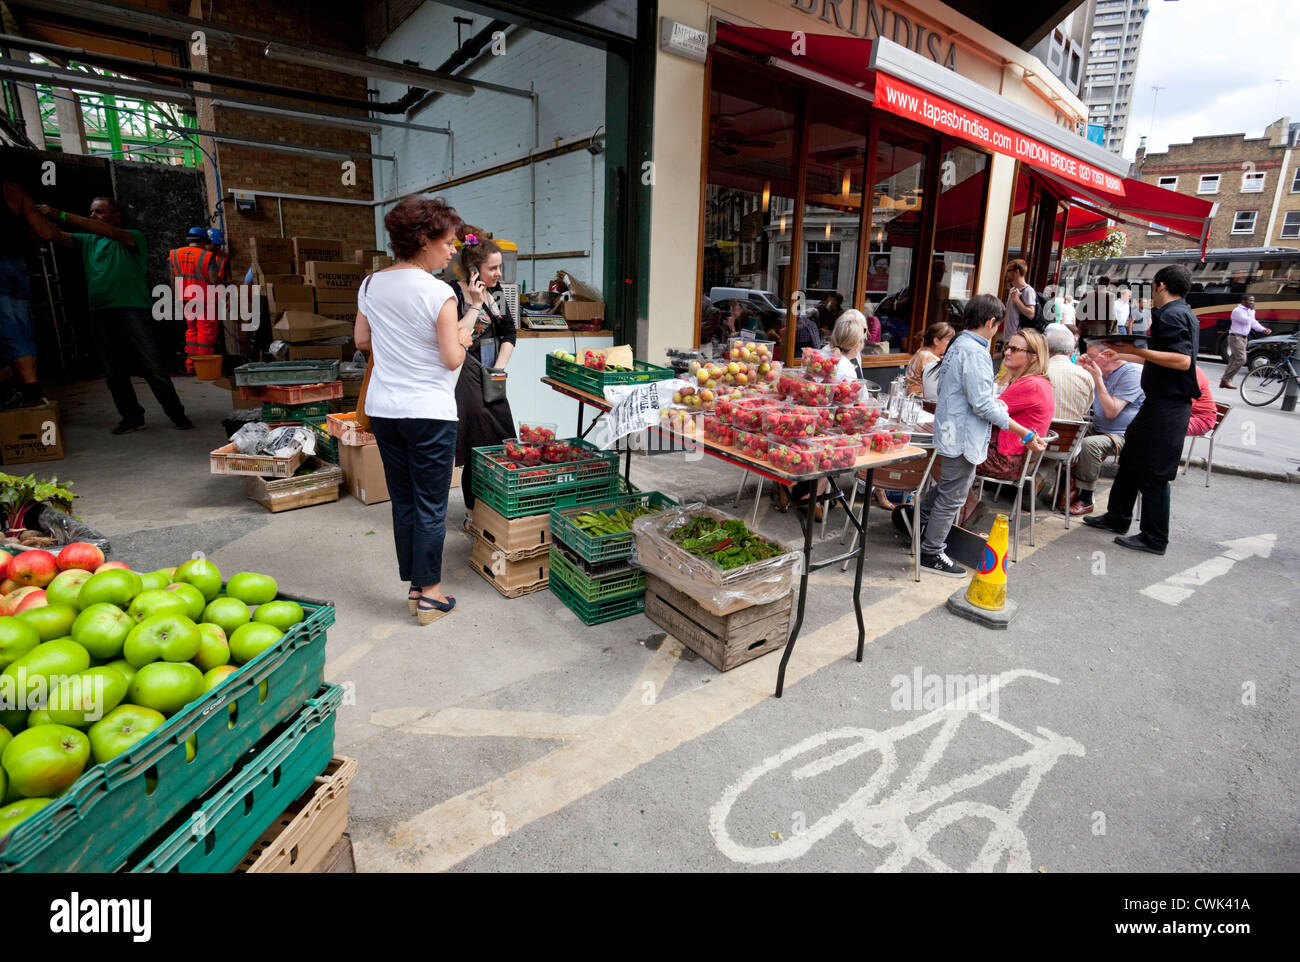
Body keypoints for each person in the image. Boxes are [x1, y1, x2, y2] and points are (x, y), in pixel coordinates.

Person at [354, 196, 471, 625]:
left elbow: (363, 340)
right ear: (424, 240)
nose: (454, 248)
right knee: (430, 503)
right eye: (448, 241)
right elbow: (451, 359)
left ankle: (415, 586)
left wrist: (399, 342)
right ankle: (432, 595)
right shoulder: (439, 292)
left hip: (385, 409)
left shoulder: (370, 284)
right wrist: (460, 338)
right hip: (429, 412)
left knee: (404, 500)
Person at [908, 294, 1046, 578]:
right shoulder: (975, 351)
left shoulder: (960, 343)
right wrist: (1023, 431)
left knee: (953, 486)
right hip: (963, 435)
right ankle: (931, 551)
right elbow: (981, 404)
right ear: (991, 322)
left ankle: (917, 520)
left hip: (953, 430)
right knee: (953, 494)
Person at [39, 197, 191, 433]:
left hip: (132, 309)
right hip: (100, 311)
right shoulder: (88, 241)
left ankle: (177, 414)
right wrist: (33, 214)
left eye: (99, 212)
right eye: (91, 212)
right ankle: (132, 417)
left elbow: (105, 230)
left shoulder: (131, 237)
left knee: (152, 366)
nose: (93, 216)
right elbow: (54, 235)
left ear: (116, 216)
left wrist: (60, 214)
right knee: (113, 371)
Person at [1083, 264, 1201, 555]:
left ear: (1160, 285)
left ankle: (1154, 537)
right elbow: (1162, 360)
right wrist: (1122, 354)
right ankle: (1117, 517)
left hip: (1168, 406)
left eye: (1152, 286)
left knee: (1155, 472)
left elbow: (1182, 361)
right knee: (1132, 459)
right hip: (1158, 404)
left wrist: (1137, 351)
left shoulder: (1171, 315)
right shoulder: (1183, 312)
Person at [452, 235, 517, 526]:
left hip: (491, 373)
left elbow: (509, 332)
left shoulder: (499, 293)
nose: (499, 274)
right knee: (476, 446)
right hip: (464, 375)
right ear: (474, 270)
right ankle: (471, 513)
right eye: (493, 269)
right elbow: (451, 338)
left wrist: (500, 368)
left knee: (502, 438)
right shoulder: (452, 294)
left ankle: (494, 507)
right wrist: (474, 304)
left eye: (500, 267)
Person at [971, 328, 1054, 519]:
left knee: (946, 456)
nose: (1007, 352)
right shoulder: (1036, 381)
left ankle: (963, 508)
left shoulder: (1030, 384)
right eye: (1008, 347)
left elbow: (986, 410)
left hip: (1005, 462)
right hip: (1017, 459)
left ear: (1033, 357)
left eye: (1015, 349)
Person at [1067, 343, 1145, 516]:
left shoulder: (1133, 374)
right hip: (1097, 426)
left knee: (1090, 445)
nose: (1088, 360)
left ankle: (1086, 498)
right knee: (1065, 433)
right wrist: (1077, 370)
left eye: (1092, 357)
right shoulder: (1098, 370)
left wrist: (1097, 379)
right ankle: (1060, 486)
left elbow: (1111, 411)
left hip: (1124, 434)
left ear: (1109, 355)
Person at [1, 180, 58, 407]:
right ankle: (32, 390)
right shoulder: (15, 190)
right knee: (22, 330)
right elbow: (44, 232)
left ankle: (30, 391)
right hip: (18, 266)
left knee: (8, 331)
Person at [169, 227, 215, 373]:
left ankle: (191, 365)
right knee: (205, 333)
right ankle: (205, 368)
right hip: (205, 301)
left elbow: (173, 279)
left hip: (186, 300)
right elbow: (214, 279)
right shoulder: (207, 256)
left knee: (192, 331)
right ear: (202, 241)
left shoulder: (174, 255)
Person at [1044, 323, 1094, 421]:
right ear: (1071, 352)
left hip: (1039, 433)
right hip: (1073, 434)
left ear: (1044, 349)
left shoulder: (1035, 372)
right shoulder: (1086, 376)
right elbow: (1085, 409)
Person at [1220, 294, 1270, 389]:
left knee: (1233, 360)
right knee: (1242, 359)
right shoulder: (1237, 311)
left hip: (1243, 338)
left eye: (1253, 300)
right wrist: (1252, 311)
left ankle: (1225, 381)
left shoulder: (1248, 311)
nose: (1253, 303)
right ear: (1243, 301)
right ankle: (1225, 379)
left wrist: (1263, 329)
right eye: (1250, 301)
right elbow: (1247, 321)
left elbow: (1254, 323)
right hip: (1236, 337)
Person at [906, 321, 955, 396]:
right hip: (920, 400)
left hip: (912, 397)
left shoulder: (923, 351)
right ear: (936, 341)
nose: (952, 343)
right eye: (948, 339)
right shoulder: (928, 358)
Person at [1002, 259, 1037, 345]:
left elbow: (1031, 313)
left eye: (1008, 271)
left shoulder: (1028, 291)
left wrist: (1017, 300)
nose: (1006, 274)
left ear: (1017, 272)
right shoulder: (1012, 290)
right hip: (1008, 338)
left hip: (1017, 340)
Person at [1076, 274, 1118, 340]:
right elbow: (1111, 315)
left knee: (1083, 350)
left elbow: (1079, 312)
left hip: (1084, 329)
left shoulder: (1087, 294)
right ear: (1108, 285)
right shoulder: (1110, 296)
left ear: (1098, 283)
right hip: (1099, 332)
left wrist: (1078, 325)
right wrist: (1109, 329)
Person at [1186, 366, 1218, 438]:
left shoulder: (1193, 373)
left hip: (1202, 420)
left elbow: (1184, 404)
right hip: (1188, 415)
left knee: (1165, 425)